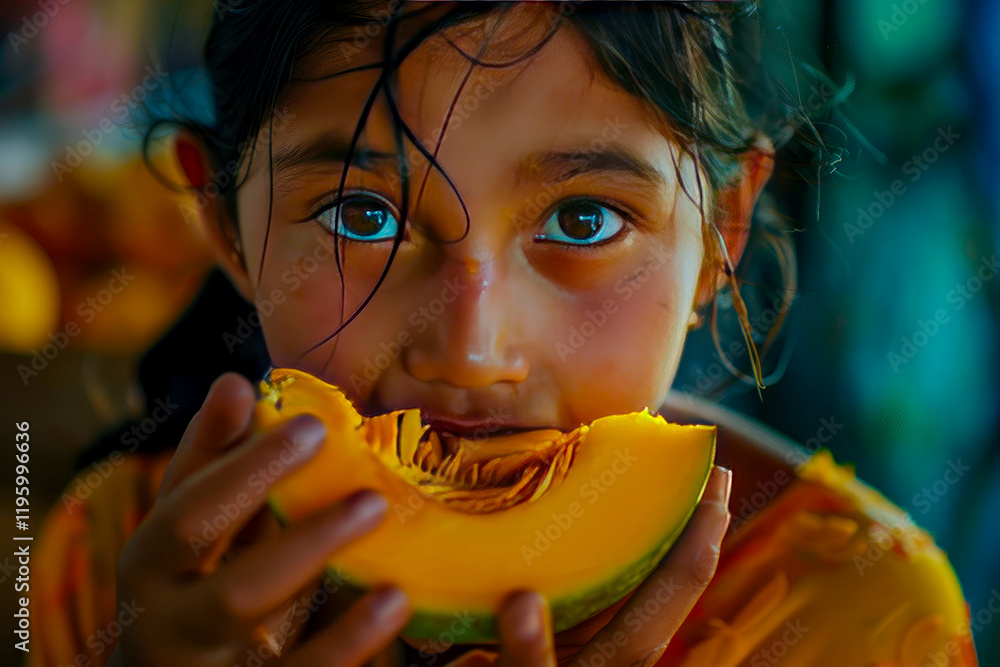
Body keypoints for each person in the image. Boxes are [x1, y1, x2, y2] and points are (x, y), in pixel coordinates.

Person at [31, 2, 978, 665]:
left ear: (720, 235)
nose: (474, 348)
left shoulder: (860, 617)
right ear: (228, 229)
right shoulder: (108, 562)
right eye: (362, 216)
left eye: (583, 222)